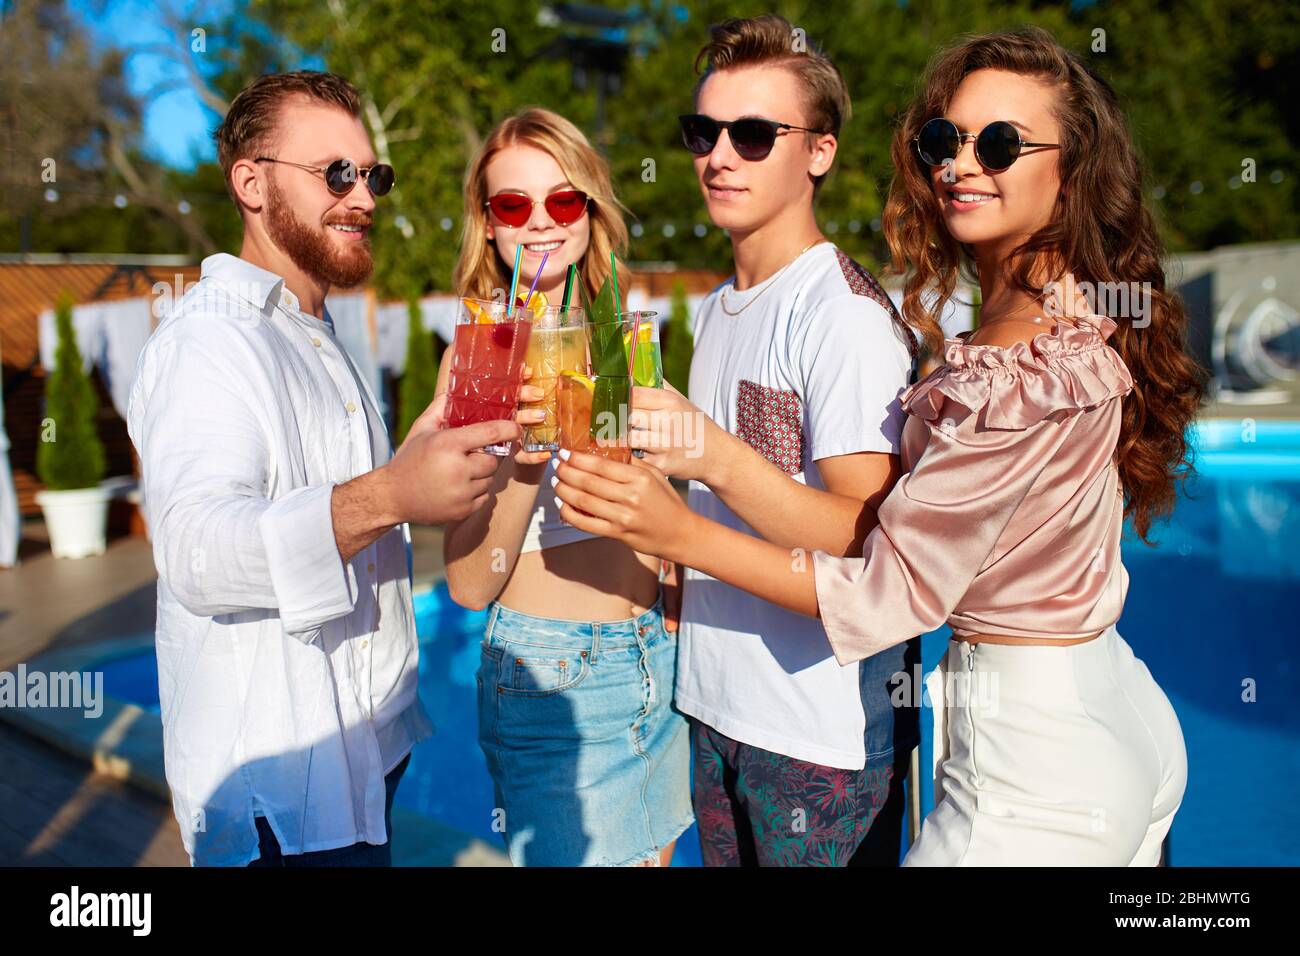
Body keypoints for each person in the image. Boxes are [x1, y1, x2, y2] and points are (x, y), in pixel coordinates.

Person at [554, 25, 1204, 865]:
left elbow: (887, 578)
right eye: (946, 139)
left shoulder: (1014, 351)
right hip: (1098, 707)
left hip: (1032, 765)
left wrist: (683, 525)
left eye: (1000, 144)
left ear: (1071, 168)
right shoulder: (1057, 322)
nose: (962, 164)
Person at [127, 71, 523, 866]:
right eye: (335, 173)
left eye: (374, 175)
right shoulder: (210, 340)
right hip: (283, 792)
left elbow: (340, 495)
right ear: (251, 181)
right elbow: (198, 550)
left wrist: (415, 454)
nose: (365, 197)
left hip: (366, 752)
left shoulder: (312, 328)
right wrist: (394, 493)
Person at [609, 14, 922, 867]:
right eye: (703, 132)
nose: (720, 155)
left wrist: (708, 462)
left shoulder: (843, 317)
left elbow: (869, 542)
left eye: (754, 134)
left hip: (817, 734)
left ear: (818, 152)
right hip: (713, 706)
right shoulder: (713, 310)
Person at [436, 107, 693, 867]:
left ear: (590, 209)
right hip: (556, 684)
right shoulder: (483, 355)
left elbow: (656, 488)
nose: (541, 222)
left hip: (659, 662)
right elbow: (466, 584)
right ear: (488, 225)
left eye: (564, 199)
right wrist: (518, 461)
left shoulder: (622, 333)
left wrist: (677, 580)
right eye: (514, 204)